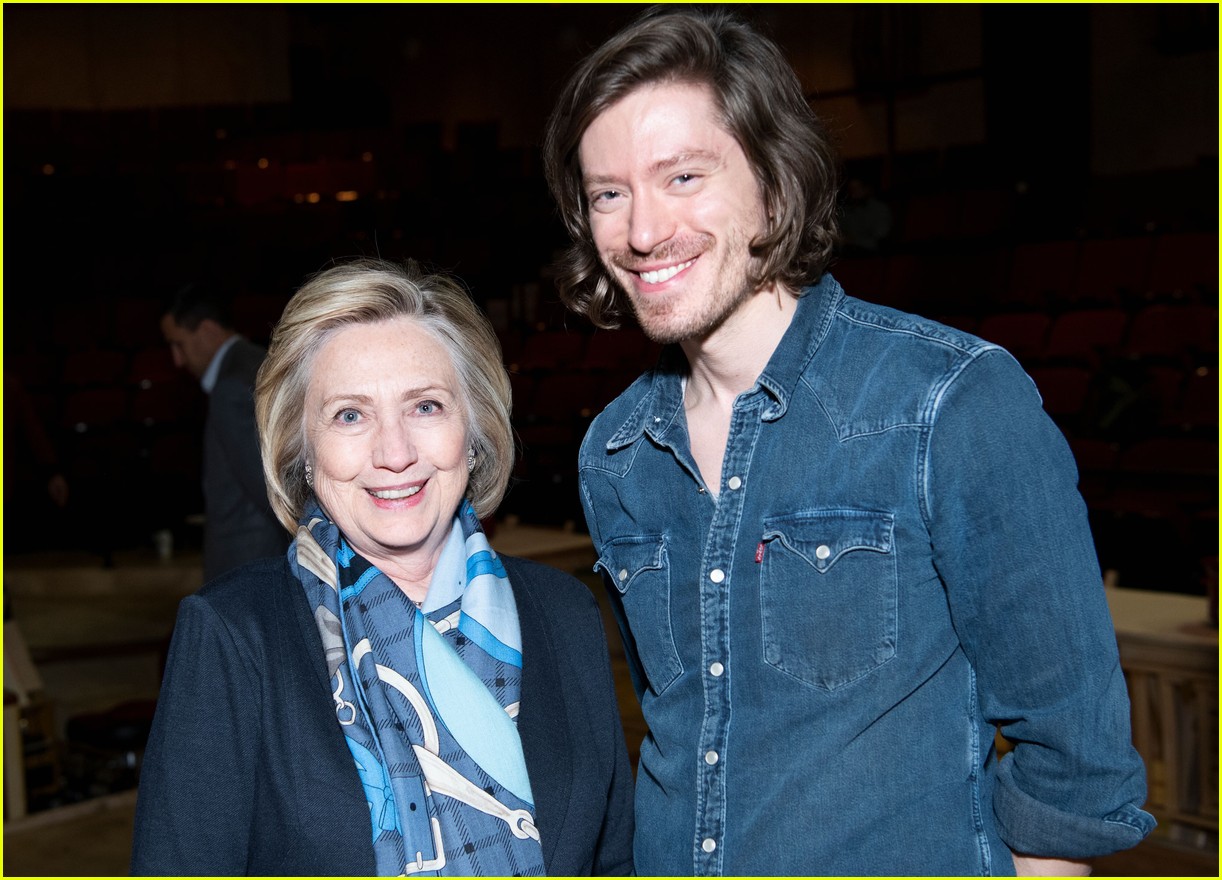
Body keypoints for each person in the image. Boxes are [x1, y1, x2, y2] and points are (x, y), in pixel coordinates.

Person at [542, 6, 1153, 876]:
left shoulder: (952, 402)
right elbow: (685, 732)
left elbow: (1075, 771)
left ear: (777, 182)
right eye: (609, 193)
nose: (641, 232)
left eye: (683, 177)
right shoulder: (615, 454)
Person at [131, 260, 634, 876]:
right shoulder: (233, 636)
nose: (394, 452)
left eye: (425, 407)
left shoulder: (565, 612)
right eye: (350, 415)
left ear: (473, 433)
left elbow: (614, 861)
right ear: (302, 451)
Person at [161, 281, 287, 580]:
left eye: (178, 344)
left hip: (249, 565)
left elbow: (270, 491)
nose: (176, 360)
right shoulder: (259, 363)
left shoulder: (231, 387)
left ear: (206, 331)